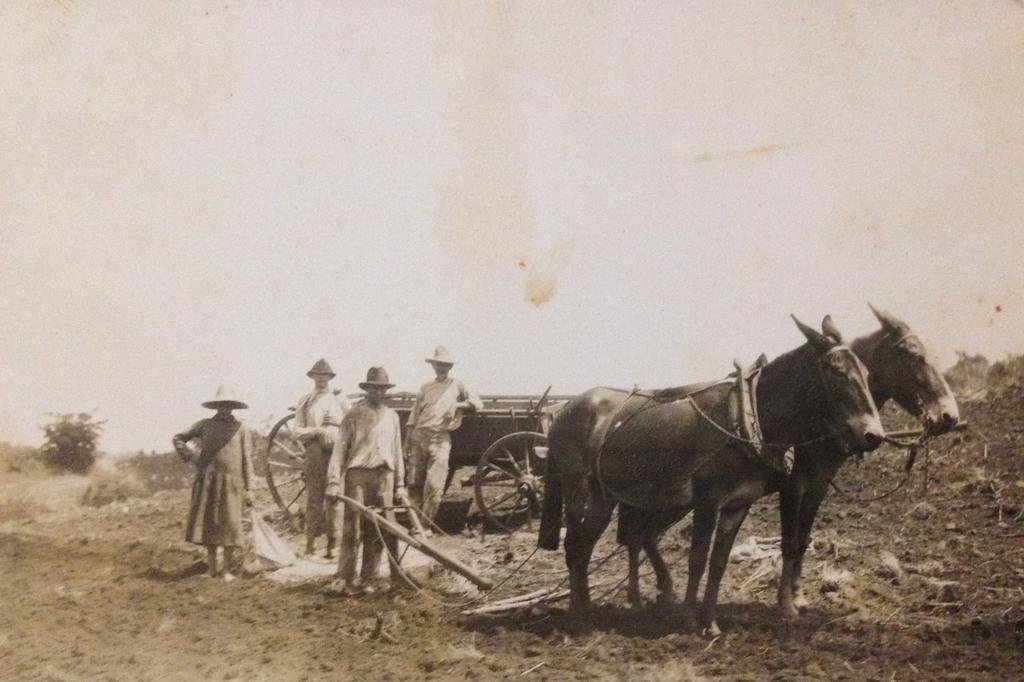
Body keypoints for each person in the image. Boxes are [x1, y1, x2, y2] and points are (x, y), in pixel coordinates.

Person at [326, 367, 408, 594]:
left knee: (380, 529)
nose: (379, 393)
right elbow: (339, 450)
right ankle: (345, 576)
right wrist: (333, 481)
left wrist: (400, 484)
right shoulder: (354, 415)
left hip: (385, 476)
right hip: (358, 475)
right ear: (367, 389)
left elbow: (397, 452)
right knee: (353, 528)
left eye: (382, 389)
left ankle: (369, 577)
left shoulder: (392, 417)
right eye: (374, 388)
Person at [172, 385, 255, 581]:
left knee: (230, 526)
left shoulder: (242, 429)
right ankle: (212, 569)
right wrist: (191, 456)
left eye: (228, 405)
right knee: (210, 524)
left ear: (233, 407)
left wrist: (251, 489)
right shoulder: (204, 425)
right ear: (216, 406)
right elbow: (178, 438)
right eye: (221, 405)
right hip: (209, 481)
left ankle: (226, 570)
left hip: (233, 484)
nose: (225, 409)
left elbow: (247, 460)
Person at [405, 346, 482, 529]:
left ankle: (425, 526)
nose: (441, 368)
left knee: (434, 485)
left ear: (450, 367)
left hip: (440, 438)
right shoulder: (425, 388)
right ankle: (415, 526)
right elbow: (413, 416)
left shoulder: (457, 385)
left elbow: (478, 403)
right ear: (433, 365)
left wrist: (458, 405)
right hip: (418, 436)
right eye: (438, 364)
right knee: (414, 484)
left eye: (445, 365)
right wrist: (406, 442)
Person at [292, 358, 350, 558]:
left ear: (330, 378)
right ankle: (310, 544)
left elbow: (351, 426)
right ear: (313, 377)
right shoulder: (305, 401)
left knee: (335, 496)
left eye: (325, 376)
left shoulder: (340, 400)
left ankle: (333, 545)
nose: (321, 380)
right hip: (315, 452)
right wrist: (316, 430)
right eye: (318, 376)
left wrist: (335, 423)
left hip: (336, 452)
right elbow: (297, 431)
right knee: (314, 499)